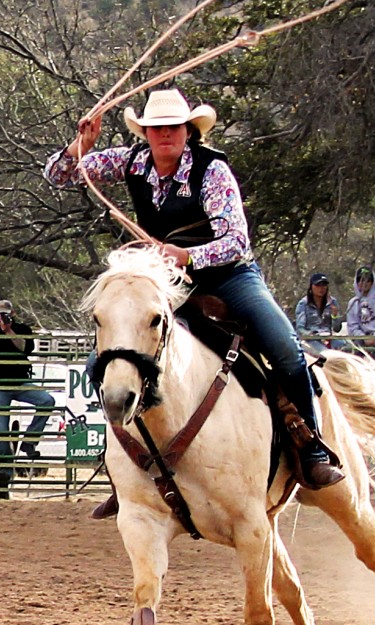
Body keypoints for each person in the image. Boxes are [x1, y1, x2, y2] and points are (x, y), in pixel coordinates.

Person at [43, 88, 344, 495]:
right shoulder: (132, 161)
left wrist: (186, 255)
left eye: (172, 127)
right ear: (145, 133)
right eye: (156, 128)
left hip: (228, 276)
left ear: (188, 131)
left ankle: (311, 449)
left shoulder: (212, 170)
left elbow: (236, 240)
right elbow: (59, 176)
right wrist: (82, 144)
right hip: (169, 281)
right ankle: (126, 468)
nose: (164, 134)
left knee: (284, 346)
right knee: (115, 352)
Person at [0, 298, 56, 498]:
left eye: (6, 313)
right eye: (0, 313)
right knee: (1, 431)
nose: (3, 316)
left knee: (46, 401)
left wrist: (9, 330)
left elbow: (25, 348)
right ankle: (5, 470)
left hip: (20, 381)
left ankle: (29, 441)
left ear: (13, 313)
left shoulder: (22, 329)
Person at [295, 272, 339, 346]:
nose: (321, 288)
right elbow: (300, 329)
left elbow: (337, 329)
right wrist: (311, 334)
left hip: (328, 338)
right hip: (311, 340)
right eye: (318, 285)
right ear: (311, 287)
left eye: (324, 285)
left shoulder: (332, 302)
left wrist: (335, 316)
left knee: (345, 347)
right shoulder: (303, 304)